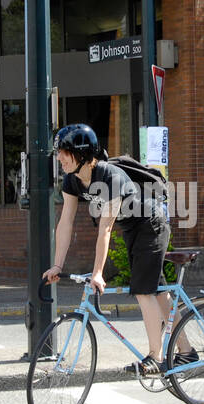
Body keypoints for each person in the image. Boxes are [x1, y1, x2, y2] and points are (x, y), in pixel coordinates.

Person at [42, 124, 194, 374]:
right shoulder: (73, 181)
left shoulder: (109, 176)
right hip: (132, 228)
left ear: (81, 154)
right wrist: (57, 265)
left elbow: (105, 229)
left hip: (151, 223)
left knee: (143, 290)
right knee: (157, 291)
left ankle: (155, 357)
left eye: (63, 152)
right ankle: (187, 352)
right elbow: (65, 223)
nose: (58, 157)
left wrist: (98, 272)